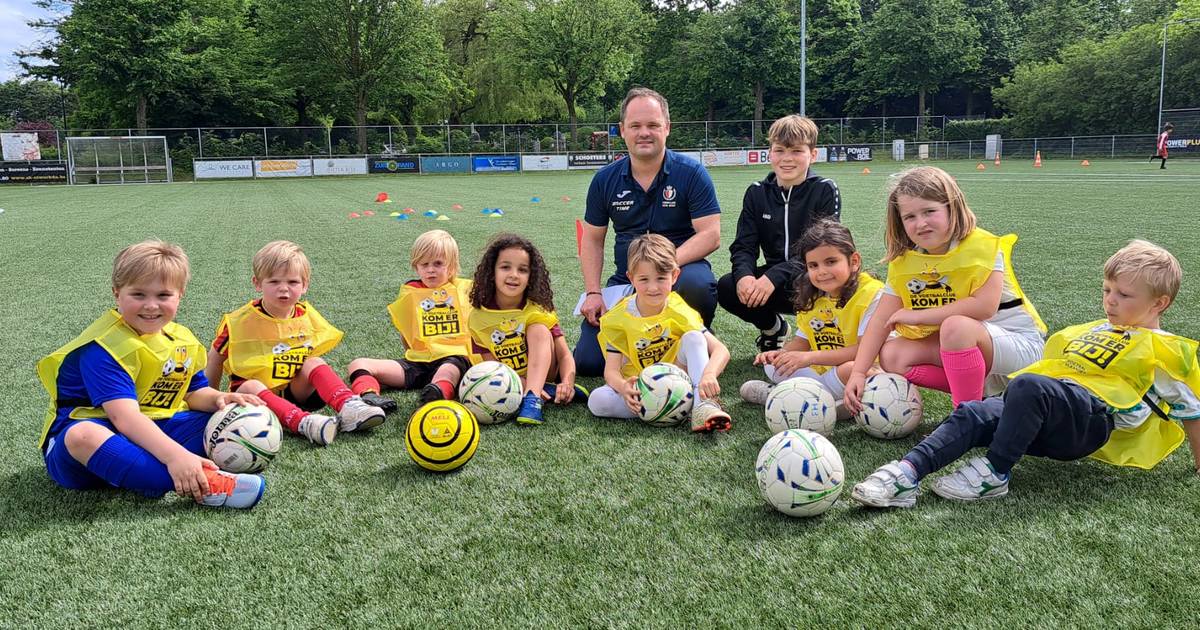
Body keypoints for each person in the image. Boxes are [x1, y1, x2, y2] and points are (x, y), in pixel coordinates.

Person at [851, 240, 1200, 508]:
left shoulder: (1168, 350)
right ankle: (905, 476)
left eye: (1124, 295)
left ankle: (995, 473)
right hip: (1046, 411)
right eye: (1107, 290)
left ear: (1159, 303)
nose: (1110, 301)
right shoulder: (1091, 329)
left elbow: (1193, 411)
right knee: (974, 411)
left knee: (1031, 386)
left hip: (1090, 422)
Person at [36, 240, 265, 509]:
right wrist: (176, 456)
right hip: (87, 446)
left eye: (163, 295)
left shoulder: (181, 339)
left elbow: (192, 392)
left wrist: (219, 399)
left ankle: (147, 469)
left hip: (150, 426)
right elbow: (125, 418)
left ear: (180, 294)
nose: (151, 306)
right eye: (139, 295)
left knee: (223, 419)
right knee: (83, 435)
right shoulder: (105, 347)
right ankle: (205, 482)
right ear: (117, 294)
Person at [843, 166, 1047, 412]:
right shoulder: (906, 261)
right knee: (892, 354)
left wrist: (917, 315)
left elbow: (984, 306)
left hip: (1018, 347)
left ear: (952, 207)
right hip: (966, 349)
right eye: (909, 217)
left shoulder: (981, 246)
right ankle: (979, 393)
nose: (921, 224)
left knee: (955, 326)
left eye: (930, 211)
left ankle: (967, 417)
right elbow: (879, 322)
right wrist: (858, 372)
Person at [574, 87, 721, 376]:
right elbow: (592, 239)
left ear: (667, 127)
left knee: (698, 285)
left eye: (653, 125)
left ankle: (694, 337)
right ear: (622, 130)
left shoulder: (691, 173)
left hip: (679, 271)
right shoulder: (605, 180)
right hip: (628, 278)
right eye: (636, 126)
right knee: (589, 362)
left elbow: (711, 234)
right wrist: (593, 292)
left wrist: (661, 267)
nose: (644, 132)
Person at [206, 241, 385, 447]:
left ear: (305, 284)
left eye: (292, 282)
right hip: (255, 399)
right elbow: (215, 359)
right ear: (257, 283)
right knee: (251, 385)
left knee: (313, 361)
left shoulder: (305, 315)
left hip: (295, 390)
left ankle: (349, 406)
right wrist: (213, 400)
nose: (284, 289)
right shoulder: (239, 322)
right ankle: (305, 424)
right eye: (274, 282)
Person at [718, 114, 841, 352]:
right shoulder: (757, 193)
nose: (787, 159)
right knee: (726, 286)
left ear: (812, 155)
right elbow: (744, 245)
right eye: (780, 150)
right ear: (770, 153)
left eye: (796, 151)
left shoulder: (824, 189)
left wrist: (773, 276)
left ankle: (826, 338)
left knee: (832, 279)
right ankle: (774, 329)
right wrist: (744, 277)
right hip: (776, 285)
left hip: (814, 278)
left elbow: (823, 249)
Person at [589, 234, 732, 433]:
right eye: (644, 279)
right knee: (597, 401)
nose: (653, 287)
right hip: (641, 389)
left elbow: (721, 350)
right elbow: (611, 371)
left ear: (674, 276)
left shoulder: (678, 309)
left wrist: (708, 375)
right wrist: (623, 387)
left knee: (694, 337)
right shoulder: (618, 318)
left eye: (661, 278)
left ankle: (702, 405)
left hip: (680, 384)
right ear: (631, 278)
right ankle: (664, 409)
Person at [740, 220, 883, 418]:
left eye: (831, 262)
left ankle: (782, 397)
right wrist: (780, 353)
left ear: (854, 261)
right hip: (822, 373)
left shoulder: (872, 294)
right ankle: (821, 402)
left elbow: (864, 350)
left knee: (850, 369)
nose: (822, 271)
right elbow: (803, 341)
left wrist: (808, 357)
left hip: (861, 369)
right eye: (813, 265)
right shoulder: (813, 295)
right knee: (773, 365)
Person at [467, 233, 586, 426]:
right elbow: (495, 367)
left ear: (531, 277)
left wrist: (567, 382)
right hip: (512, 380)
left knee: (538, 329)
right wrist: (520, 384)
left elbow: (564, 355)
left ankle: (533, 399)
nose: (514, 275)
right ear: (491, 271)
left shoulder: (538, 309)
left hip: (547, 370)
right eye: (505, 267)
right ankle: (542, 390)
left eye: (522, 270)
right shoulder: (478, 318)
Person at [347, 229, 473, 406]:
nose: (430, 270)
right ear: (416, 267)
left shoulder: (465, 289)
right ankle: (369, 395)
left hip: (455, 358)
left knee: (448, 370)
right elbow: (407, 340)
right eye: (424, 264)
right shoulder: (412, 292)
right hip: (418, 362)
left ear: (451, 266)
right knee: (358, 364)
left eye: (438, 264)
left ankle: (437, 392)